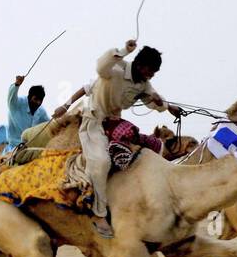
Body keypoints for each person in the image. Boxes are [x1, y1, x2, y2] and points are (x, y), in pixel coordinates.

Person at [51, 40, 183, 237]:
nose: (152, 75)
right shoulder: (115, 69)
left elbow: (154, 98)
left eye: (154, 72)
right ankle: (98, 214)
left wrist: (169, 107)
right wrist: (66, 106)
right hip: (94, 124)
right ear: (140, 65)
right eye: (151, 70)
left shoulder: (143, 84)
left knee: (149, 152)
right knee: (101, 162)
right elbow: (96, 73)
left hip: (114, 125)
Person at [6, 75, 48, 144]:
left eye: (40, 100)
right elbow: (11, 98)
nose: (38, 103)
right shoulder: (16, 104)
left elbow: (48, 124)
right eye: (35, 99)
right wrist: (16, 85)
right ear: (29, 97)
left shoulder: (41, 111)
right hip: (16, 145)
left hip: (32, 145)